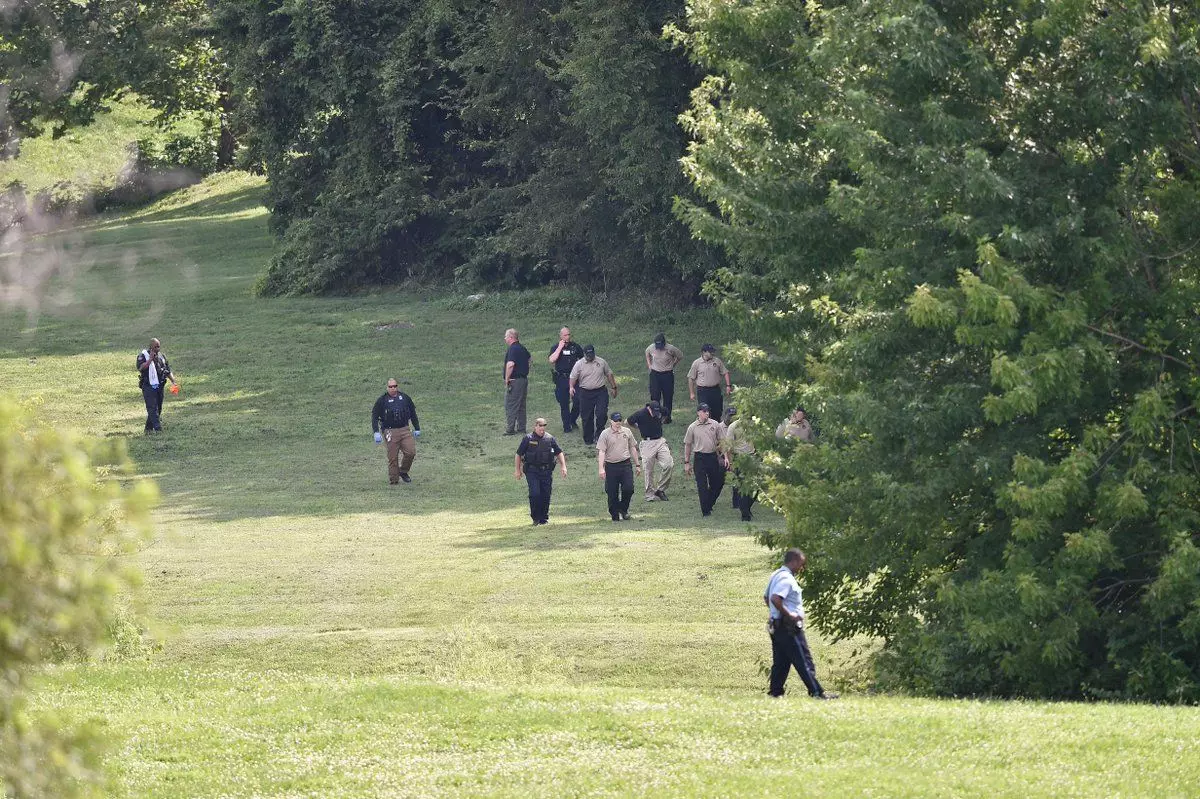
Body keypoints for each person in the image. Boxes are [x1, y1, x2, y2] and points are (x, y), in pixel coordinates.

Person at [765, 549, 837, 699]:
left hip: (777, 627)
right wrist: (789, 614)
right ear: (795, 561)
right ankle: (817, 692)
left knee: (781, 663)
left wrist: (775, 614)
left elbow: (766, 598)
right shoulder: (786, 579)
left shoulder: (776, 575)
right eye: (801, 564)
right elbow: (775, 598)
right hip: (789, 627)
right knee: (804, 660)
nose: (802, 568)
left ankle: (775, 693)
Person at [515, 418, 568, 525]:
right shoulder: (528, 439)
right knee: (535, 493)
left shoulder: (550, 438)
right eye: (540, 426)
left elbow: (559, 452)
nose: (542, 428)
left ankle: (544, 518)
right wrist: (517, 470)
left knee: (546, 494)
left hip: (546, 471)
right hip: (532, 471)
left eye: (544, 426)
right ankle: (536, 518)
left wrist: (563, 466)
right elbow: (518, 454)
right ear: (535, 426)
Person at [371, 379, 422, 484]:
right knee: (393, 457)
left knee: (411, 452)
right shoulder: (382, 400)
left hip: (404, 429)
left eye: (395, 386)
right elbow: (375, 416)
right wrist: (376, 431)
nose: (393, 388)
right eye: (390, 386)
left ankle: (403, 471)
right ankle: (394, 480)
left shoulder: (404, 398)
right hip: (390, 430)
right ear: (387, 387)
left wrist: (417, 428)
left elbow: (413, 413)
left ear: (397, 386)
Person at [682, 403, 727, 516]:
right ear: (698, 413)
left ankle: (709, 503)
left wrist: (725, 456)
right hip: (700, 458)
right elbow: (687, 444)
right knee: (701, 485)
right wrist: (686, 462)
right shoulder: (693, 427)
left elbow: (722, 442)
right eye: (704, 411)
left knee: (716, 483)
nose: (706, 412)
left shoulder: (715, 424)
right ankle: (705, 511)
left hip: (712, 456)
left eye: (707, 410)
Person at [569, 344, 618, 446]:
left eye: (592, 354)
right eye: (588, 355)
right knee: (586, 417)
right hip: (585, 392)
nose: (590, 357)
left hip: (600, 391)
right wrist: (571, 387)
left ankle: (599, 435)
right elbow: (573, 377)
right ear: (584, 354)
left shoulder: (601, 362)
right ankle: (588, 438)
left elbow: (609, 373)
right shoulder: (579, 364)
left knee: (601, 414)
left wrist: (614, 387)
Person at [596, 411, 641, 521]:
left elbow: (632, 447)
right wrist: (601, 468)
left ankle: (623, 509)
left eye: (619, 420)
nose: (618, 422)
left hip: (625, 464)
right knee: (612, 492)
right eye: (615, 420)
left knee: (629, 489)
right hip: (611, 466)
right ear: (611, 421)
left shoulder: (627, 431)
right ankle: (614, 514)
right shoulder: (605, 434)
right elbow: (602, 451)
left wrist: (637, 464)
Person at [627, 400, 673, 502]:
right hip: (647, 443)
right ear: (649, 409)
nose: (655, 415)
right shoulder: (640, 414)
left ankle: (660, 489)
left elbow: (666, 413)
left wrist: (662, 421)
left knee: (668, 464)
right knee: (648, 470)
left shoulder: (660, 410)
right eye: (654, 413)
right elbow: (628, 421)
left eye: (657, 413)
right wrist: (638, 427)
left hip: (660, 441)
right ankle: (649, 494)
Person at [723, 407, 757, 521]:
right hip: (740, 458)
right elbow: (728, 445)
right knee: (743, 486)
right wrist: (729, 460)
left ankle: (746, 508)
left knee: (754, 487)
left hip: (752, 457)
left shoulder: (753, 425)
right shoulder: (733, 426)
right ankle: (745, 515)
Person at [136, 337, 177, 433]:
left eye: (159, 347)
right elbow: (141, 368)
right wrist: (150, 359)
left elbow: (167, 370)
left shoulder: (162, 356)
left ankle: (148, 429)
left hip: (159, 385)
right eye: (155, 347)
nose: (157, 349)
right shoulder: (143, 356)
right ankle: (158, 429)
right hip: (148, 386)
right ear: (151, 347)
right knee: (152, 407)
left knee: (158, 408)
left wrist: (173, 382)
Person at [548, 326, 584, 433]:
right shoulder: (556, 347)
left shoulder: (575, 347)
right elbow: (551, 360)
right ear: (560, 336)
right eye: (565, 335)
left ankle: (572, 419)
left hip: (574, 378)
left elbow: (583, 360)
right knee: (564, 403)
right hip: (561, 378)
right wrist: (560, 347)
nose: (567, 337)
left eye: (569, 334)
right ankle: (567, 426)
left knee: (578, 400)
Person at [645, 332, 684, 423]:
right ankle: (655, 417)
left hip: (667, 374)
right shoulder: (651, 347)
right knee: (655, 396)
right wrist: (649, 365)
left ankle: (667, 417)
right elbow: (647, 353)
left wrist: (673, 364)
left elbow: (680, 356)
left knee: (667, 396)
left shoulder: (670, 348)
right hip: (655, 374)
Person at [687, 344, 731, 421]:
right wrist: (692, 393)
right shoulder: (697, 363)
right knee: (704, 411)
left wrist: (728, 386)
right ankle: (705, 428)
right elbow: (691, 378)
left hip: (715, 390)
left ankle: (716, 427)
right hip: (703, 391)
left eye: (713, 352)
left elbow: (725, 372)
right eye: (710, 352)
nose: (712, 353)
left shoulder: (717, 361)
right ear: (704, 352)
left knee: (717, 411)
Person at [503, 328, 532, 435]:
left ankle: (510, 429)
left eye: (506, 336)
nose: (504, 338)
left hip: (515, 381)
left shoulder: (513, 349)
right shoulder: (522, 348)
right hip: (523, 380)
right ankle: (521, 428)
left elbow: (510, 364)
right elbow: (530, 359)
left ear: (511, 337)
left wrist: (507, 379)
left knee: (510, 404)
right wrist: (525, 369)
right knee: (521, 405)